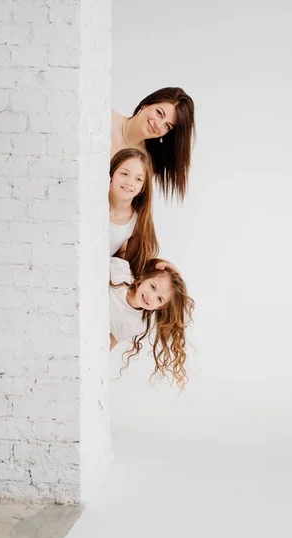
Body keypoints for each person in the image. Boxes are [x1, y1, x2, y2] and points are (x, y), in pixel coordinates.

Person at [109, 256, 194, 391]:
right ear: (144, 278)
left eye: (159, 299)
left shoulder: (137, 324)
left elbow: (110, 342)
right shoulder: (120, 273)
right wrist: (159, 262)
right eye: (153, 286)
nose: (150, 296)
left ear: (159, 307)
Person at [111, 87, 195, 200]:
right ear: (146, 104)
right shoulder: (107, 118)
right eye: (159, 113)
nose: (158, 125)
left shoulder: (148, 162)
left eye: (167, 126)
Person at [109, 148, 159, 276]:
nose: (130, 183)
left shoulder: (136, 222)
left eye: (138, 179)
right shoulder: (91, 203)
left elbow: (129, 267)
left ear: (143, 187)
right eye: (124, 174)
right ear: (112, 173)